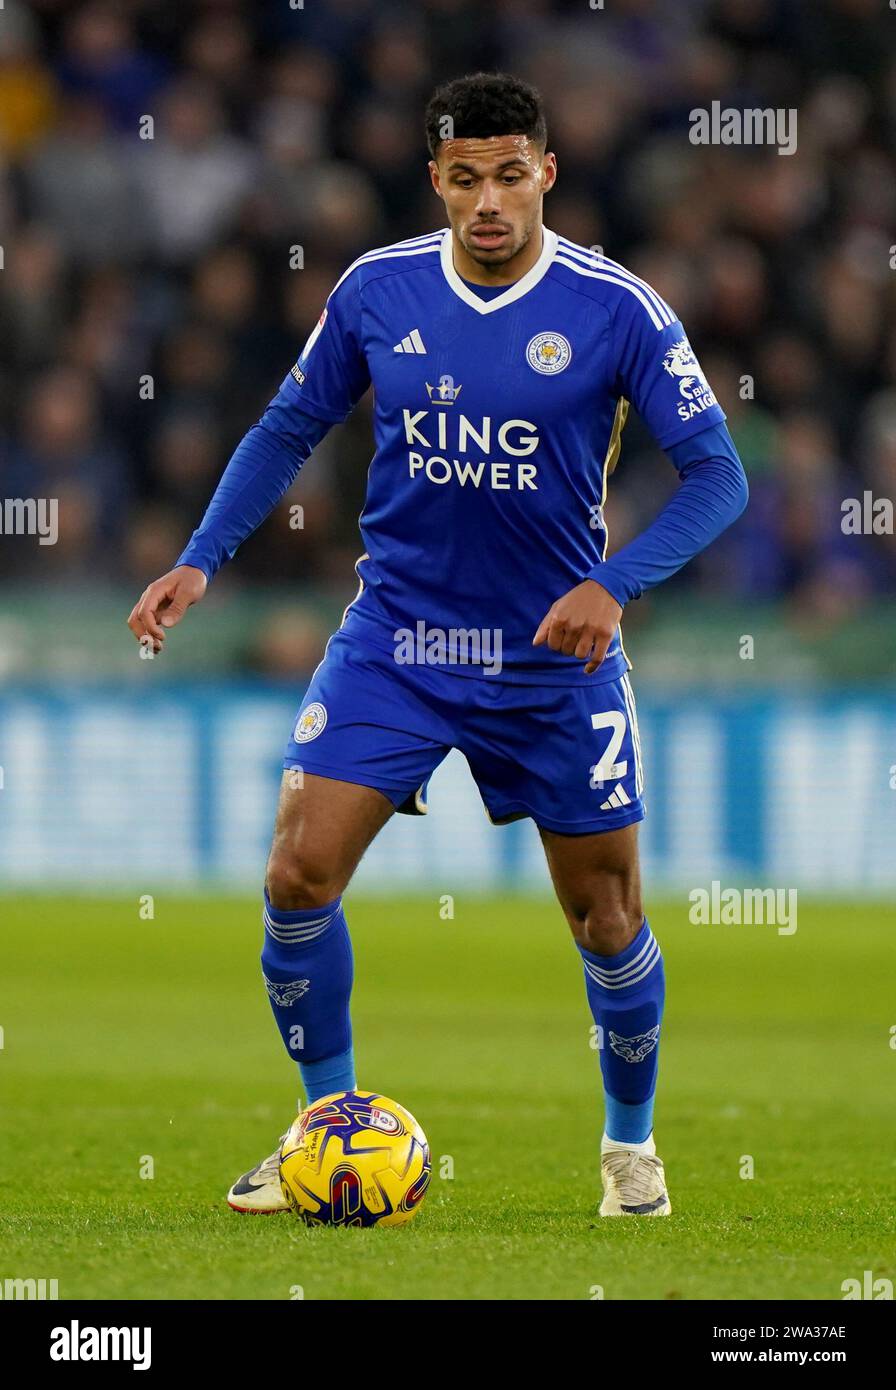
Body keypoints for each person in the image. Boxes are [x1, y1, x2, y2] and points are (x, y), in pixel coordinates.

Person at [128, 71, 748, 1218]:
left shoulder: (617, 310)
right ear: (436, 181)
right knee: (295, 872)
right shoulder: (377, 290)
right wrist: (199, 555)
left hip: (549, 659)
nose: (488, 202)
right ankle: (327, 1125)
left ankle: (629, 1148)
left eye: (510, 176)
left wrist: (614, 584)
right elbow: (287, 425)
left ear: (545, 174)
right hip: (398, 640)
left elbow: (719, 476)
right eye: (465, 179)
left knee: (605, 920)